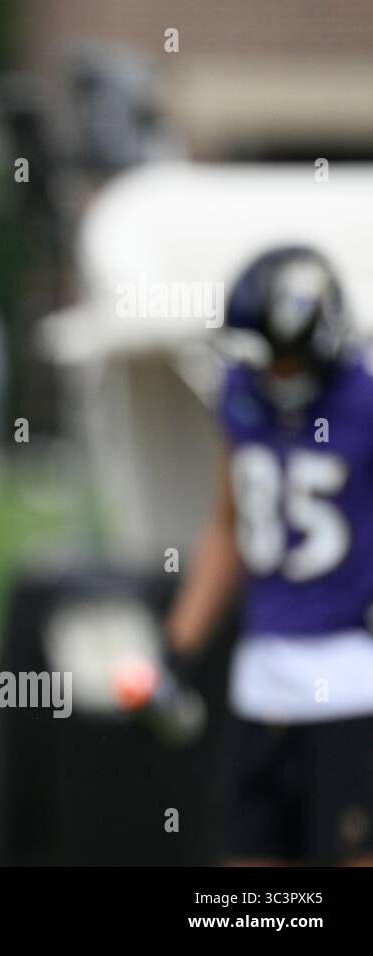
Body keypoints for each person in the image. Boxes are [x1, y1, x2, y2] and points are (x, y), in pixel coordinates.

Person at [167, 246, 373, 865]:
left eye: (280, 363)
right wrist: (177, 648)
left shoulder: (363, 401)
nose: (267, 377)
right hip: (260, 682)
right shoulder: (239, 393)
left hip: (352, 683)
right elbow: (229, 525)